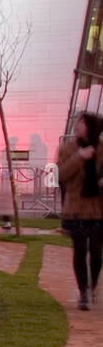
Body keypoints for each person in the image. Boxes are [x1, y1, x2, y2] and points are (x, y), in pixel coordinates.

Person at [57, 112, 103, 310]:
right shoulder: (68, 149)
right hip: (76, 208)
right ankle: (83, 292)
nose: (76, 126)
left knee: (96, 250)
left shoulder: (102, 149)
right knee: (80, 250)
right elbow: (61, 174)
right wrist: (79, 157)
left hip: (98, 209)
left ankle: (93, 285)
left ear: (91, 126)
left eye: (81, 123)